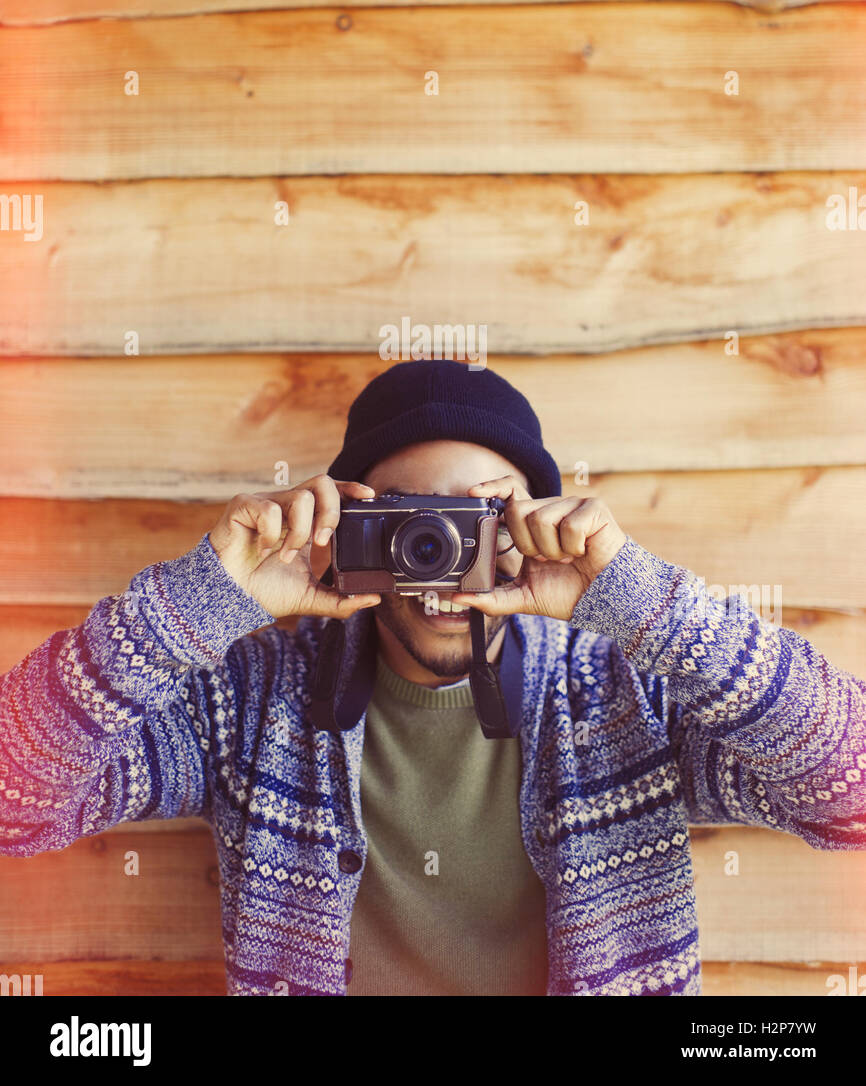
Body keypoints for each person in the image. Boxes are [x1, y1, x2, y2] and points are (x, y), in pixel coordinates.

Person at [1, 360, 864, 997]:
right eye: (412, 524)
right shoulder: (253, 701)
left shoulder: (624, 692)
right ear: (346, 530)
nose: (444, 564)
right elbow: (16, 801)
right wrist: (200, 601)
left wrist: (642, 603)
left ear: (539, 527)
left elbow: (849, 791)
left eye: (480, 518)